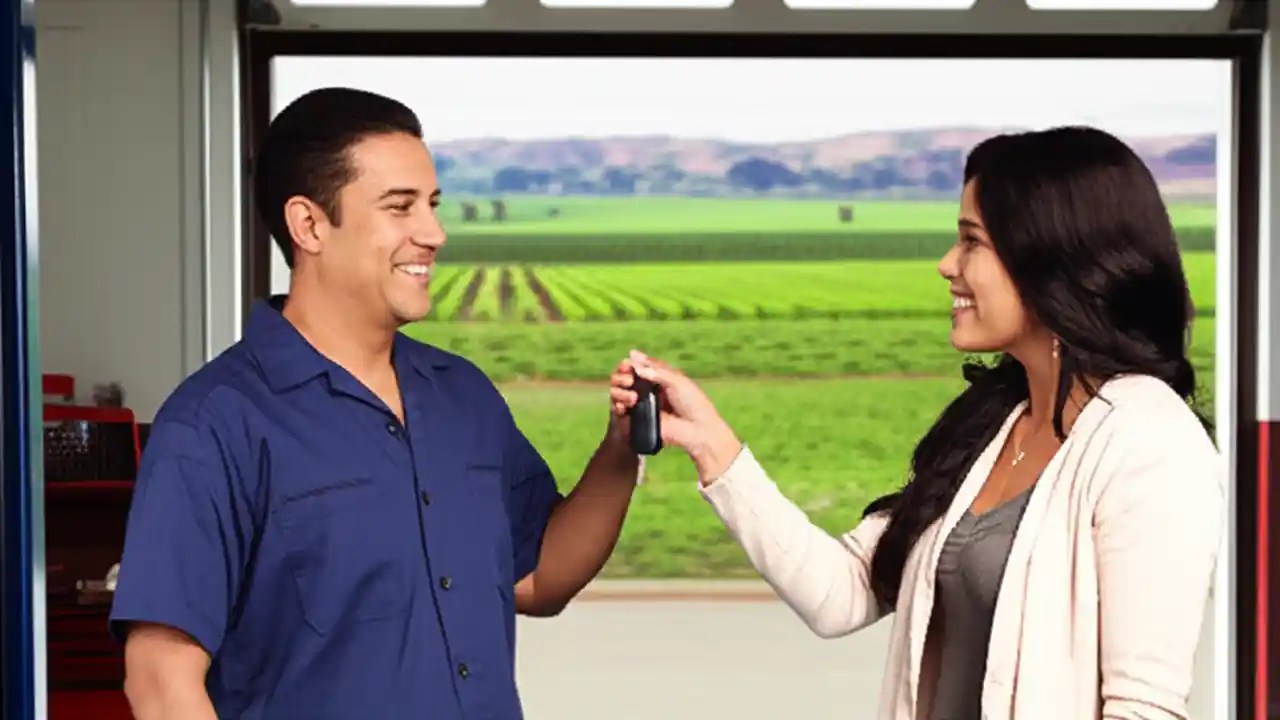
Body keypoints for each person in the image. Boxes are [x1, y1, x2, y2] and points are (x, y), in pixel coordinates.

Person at [610, 126, 1224, 720]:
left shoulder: (1149, 441)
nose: (946, 264)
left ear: (1049, 257)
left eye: (972, 241)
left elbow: (1144, 709)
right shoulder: (991, 424)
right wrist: (711, 443)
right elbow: (842, 593)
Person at [110, 87, 643, 719]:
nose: (434, 233)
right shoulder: (213, 425)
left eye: (433, 205)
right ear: (309, 224)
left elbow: (539, 577)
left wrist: (621, 448)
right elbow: (160, 680)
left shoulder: (462, 396)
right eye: (401, 207)